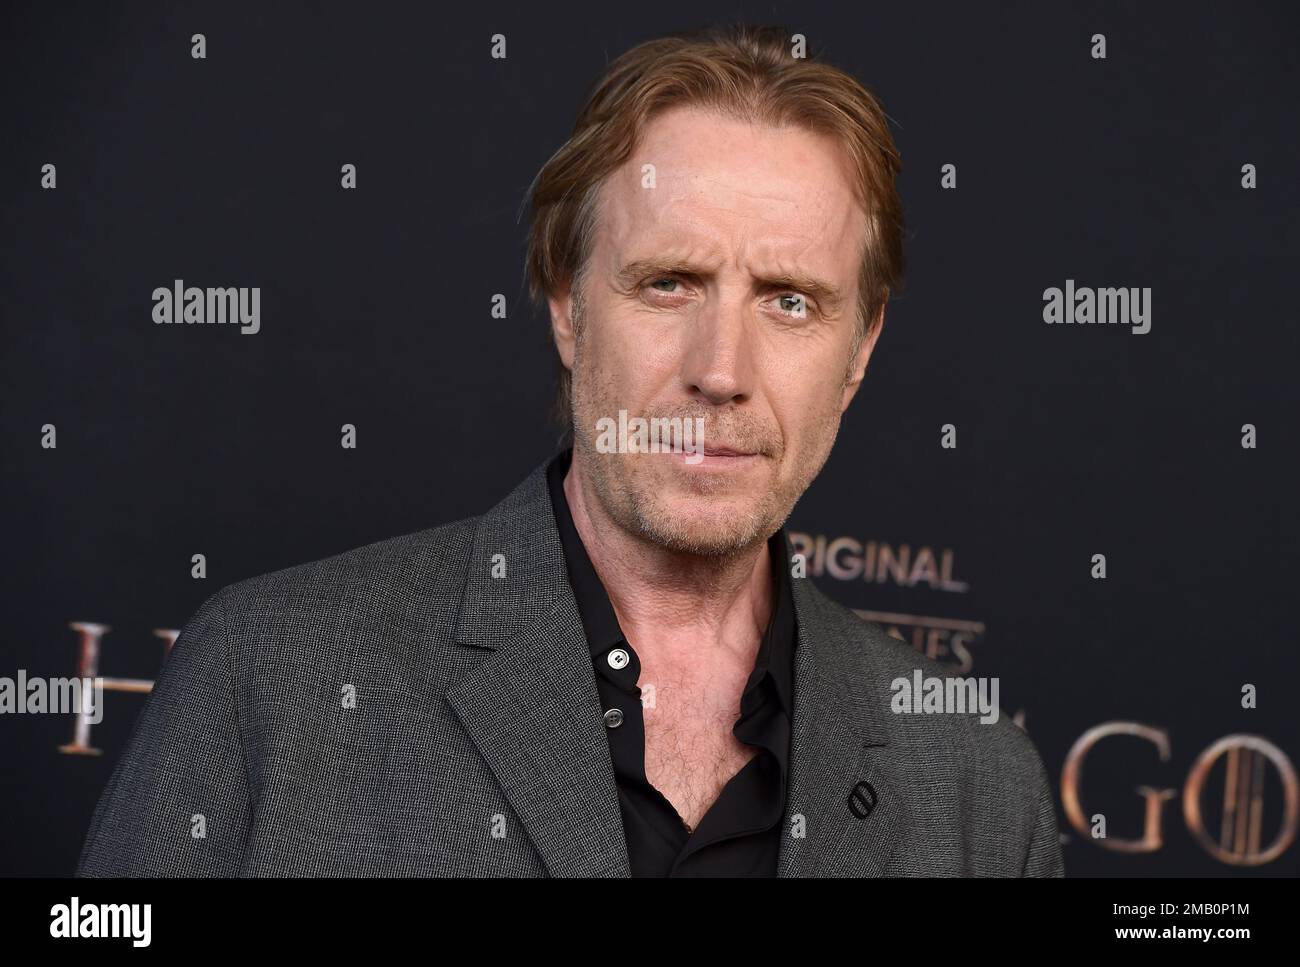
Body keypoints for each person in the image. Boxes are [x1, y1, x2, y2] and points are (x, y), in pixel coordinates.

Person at [78, 23, 1063, 877]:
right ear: (565, 303)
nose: (720, 370)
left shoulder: (976, 782)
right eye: (668, 283)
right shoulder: (269, 676)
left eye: (789, 300)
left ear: (861, 348)